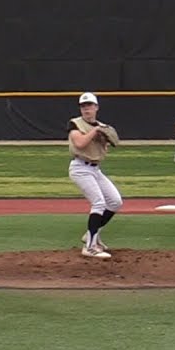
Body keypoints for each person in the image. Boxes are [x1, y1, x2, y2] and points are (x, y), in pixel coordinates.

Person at [68, 92, 121, 259]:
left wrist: (105, 137)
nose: (86, 109)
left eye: (89, 105)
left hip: (95, 169)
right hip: (80, 168)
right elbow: (80, 143)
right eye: (83, 106)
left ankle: (92, 234)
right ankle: (90, 247)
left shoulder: (101, 126)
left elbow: (112, 145)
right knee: (98, 203)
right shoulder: (75, 124)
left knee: (115, 202)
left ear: (96, 107)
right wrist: (95, 131)